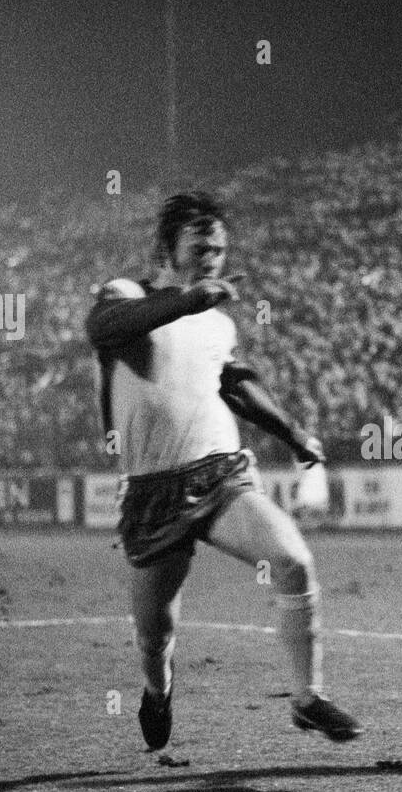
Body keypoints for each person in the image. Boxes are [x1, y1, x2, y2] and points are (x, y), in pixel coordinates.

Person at [85, 189, 361, 749]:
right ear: (168, 246)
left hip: (220, 476)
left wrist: (294, 434)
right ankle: (157, 692)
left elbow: (233, 384)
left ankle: (308, 698)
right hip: (151, 493)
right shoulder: (126, 294)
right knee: (154, 637)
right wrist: (188, 298)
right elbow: (105, 329)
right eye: (201, 243)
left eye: (220, 247)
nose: (214, 253)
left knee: (292, 560)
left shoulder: (218, 324)